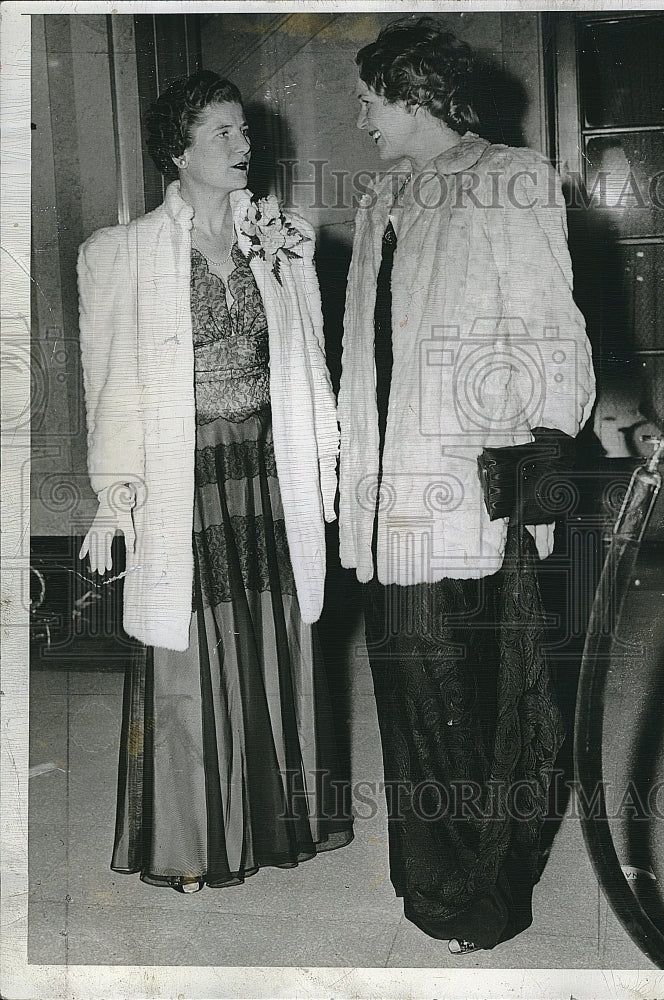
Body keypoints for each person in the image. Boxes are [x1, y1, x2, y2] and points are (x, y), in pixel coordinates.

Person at [338, 19, 595, 952]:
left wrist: (541, 457)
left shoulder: (510, 177)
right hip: (385, 486)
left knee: (479, 695)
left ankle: (485, 892)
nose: (362, 119)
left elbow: (548, 325)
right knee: (413, 692)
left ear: (412, 97)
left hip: (465, 479)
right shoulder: (378, 199)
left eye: (371, 102)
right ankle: (436, 881)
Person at [77, 70, 352, 892]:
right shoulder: (120, 253)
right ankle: (194, 840)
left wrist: (328, 463)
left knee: (272, 631)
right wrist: (113, 490)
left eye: (245, 131)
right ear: (178, 150)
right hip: (182, 470)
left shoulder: (285, 240)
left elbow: (309, 366)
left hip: (266, 467)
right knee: (189, 647)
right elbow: (110, 379)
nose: (244, 146)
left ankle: (276, 821)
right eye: (224, 134)